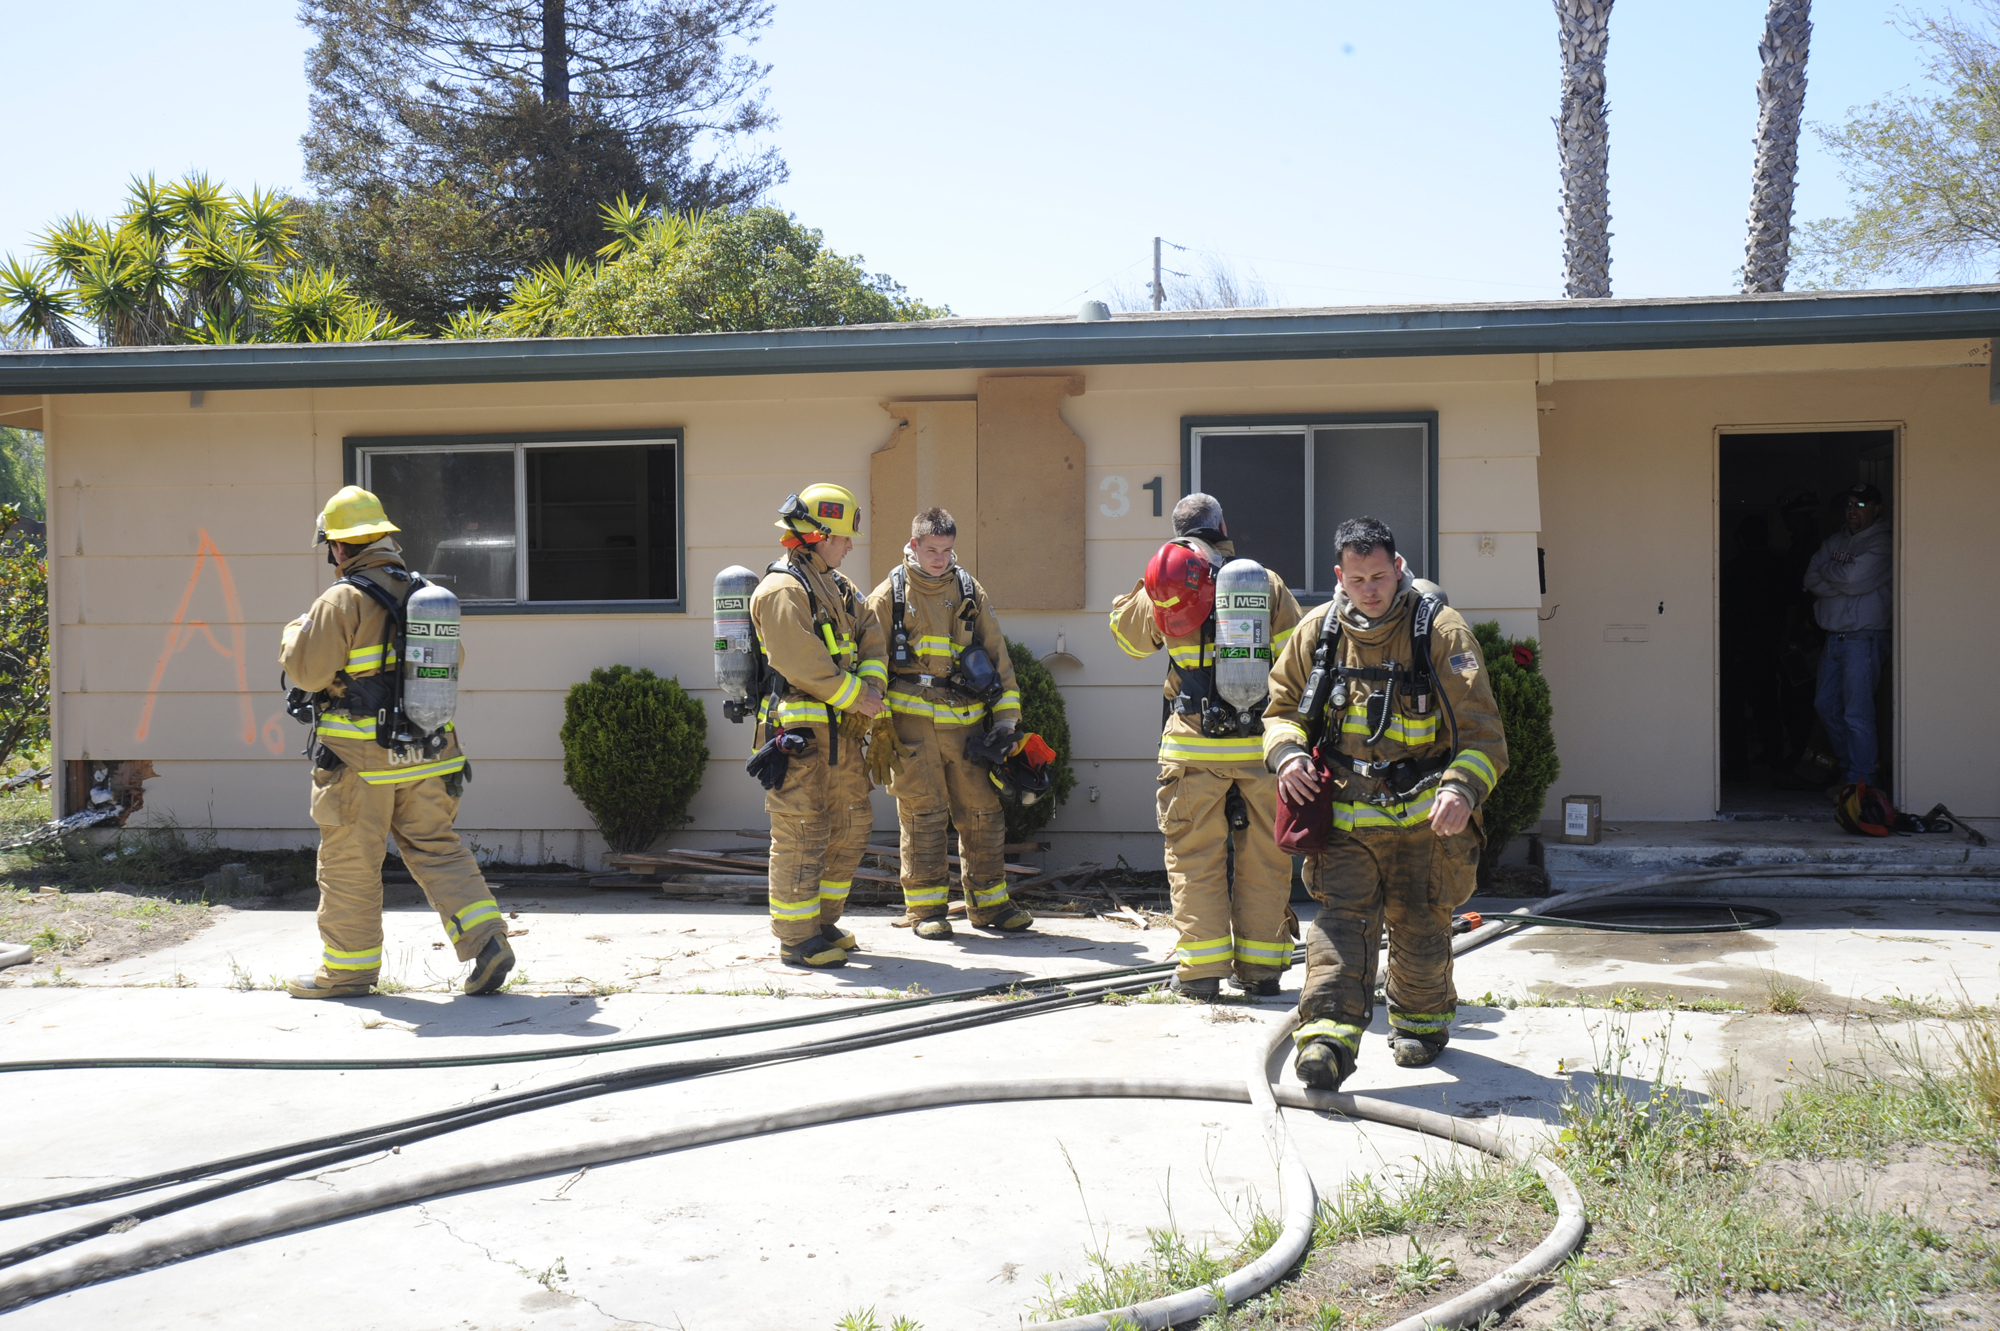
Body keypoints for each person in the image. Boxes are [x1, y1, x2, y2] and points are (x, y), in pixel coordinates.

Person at [1263, 516, 1507, 1089]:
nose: (1370, 590)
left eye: (1380, 576)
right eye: (1357, 579)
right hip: (1346, 825)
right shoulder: (1316, 633)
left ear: (1399, 569)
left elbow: (1483, 735)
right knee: (1338, 930)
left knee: (1421, 931)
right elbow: (1279, 712)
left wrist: (1461, 787)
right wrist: (1289, 755)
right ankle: (1325, 1040)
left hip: (1426, 829)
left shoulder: (1442, 634)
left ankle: (1420, 1028)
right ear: (1338, 577)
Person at [279, 486, 514, 999]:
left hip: (359, 766)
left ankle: (348, 973)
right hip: (428, 755)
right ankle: (487, 942)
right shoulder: (426, 594)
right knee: (437, 848)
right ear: (384, 537)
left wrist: (295, 632)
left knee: (349, 866)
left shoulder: (342, 599)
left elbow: (308, 672)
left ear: (338, 547)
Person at [1109, 493, 1302, 1000]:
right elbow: (1297, 662)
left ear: (1178, 532)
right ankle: (1261, 972)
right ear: (1223, 526)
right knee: (1266, 855)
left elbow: (1129, 642)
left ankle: (1200, 974)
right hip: (1261, 746)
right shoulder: (1263, 583)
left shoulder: (1169, 581)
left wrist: (1149, 583)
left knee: (1195, 858)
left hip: (1193, 743)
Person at [866, 508, 1035, 939]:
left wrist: (1007, 721)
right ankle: (926, 911)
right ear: (914, 545)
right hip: (912, 726)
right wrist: (877, 722)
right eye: (931, 550)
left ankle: (991, 905)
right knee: (923, 815)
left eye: (946, 550)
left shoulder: (968, 590)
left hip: (967, 728)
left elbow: (998, 657)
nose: (939, 558)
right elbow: (868, 662)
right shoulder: (889, 595)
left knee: (983, 813)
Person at [750, 483, 888, 969]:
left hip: (844, 734)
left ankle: (822, 922)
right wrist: (858, 698)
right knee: (802, 832)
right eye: (844, 537)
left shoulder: (842, 587)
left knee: (851, 826)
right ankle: (795, 937)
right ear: (818, 534)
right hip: (801, 739)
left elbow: (871, 635)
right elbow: (800, 661)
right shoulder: (782, 590)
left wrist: (871, 690)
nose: (851, 545)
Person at [1804, 482, 1891, 790]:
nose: (1853, 511)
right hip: (1834, 637)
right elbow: (1811, 577)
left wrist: (1839, 577)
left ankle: (1861, 781)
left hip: (1863, 638)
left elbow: (1852, 580)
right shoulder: (1836, 539)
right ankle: (1850, 772)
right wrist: (1843, 580)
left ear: (1877, 509)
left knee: (1857, 713)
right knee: (1825, 705)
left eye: (1861, 505)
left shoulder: (1883, 541)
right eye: (1850, 505)